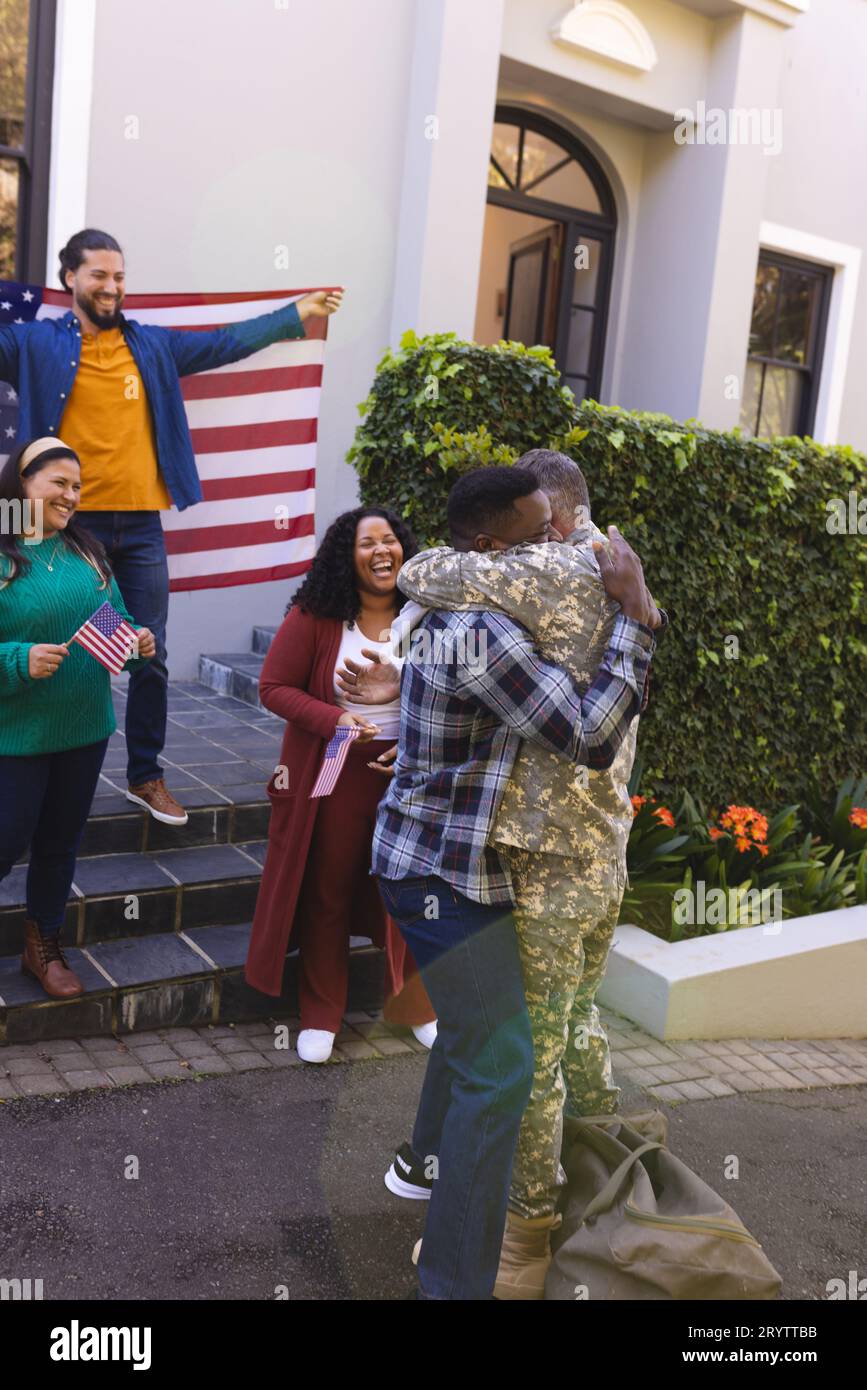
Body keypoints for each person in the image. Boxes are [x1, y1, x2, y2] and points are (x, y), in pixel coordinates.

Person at [368, 466, 658, 1300]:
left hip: (431, 860)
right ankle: (457, 1282)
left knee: (473, 1040)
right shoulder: (483, 630)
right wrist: (635, 623)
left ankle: (421, 1168)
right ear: (489, 549)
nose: (558, 548)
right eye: (539, 537)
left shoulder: (465, 604)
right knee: (504, 1070)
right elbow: (588, 735)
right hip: (442, 876)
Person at [0, 228, 342, 828]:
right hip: (54, 524)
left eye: (120, 276)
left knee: (144, 649)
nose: (112, 286)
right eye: (99, 275)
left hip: (138, 527)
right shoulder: (33, 342)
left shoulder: (152, 345)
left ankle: (145, 776)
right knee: (34, 633)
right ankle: (25, 776)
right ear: (69, 280)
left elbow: (223, 343)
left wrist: (295, 315)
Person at [244, 507, 436, 1065]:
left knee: (412, 891)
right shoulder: (318, 615)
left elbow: (453, 696)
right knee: (327, 891)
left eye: (392, 539)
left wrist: (420, 742)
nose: (383, 550)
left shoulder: (432, 616)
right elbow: (274, 686)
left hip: (411, 773)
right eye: (367, 543)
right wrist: (334, 720)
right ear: (345, 557)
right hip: (336, 770)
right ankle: (322, 1014)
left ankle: (418, 1008)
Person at [0, 437, 154, 998]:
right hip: (14, 736)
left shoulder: (86, 552)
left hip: (84, 729)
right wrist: (19, 658)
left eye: (78, 487)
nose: (72, 495)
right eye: (59, 483)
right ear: (22, 484)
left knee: (60, 844)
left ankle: (42, 947)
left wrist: (135, 638)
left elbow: (113, 619)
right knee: (6, 839)